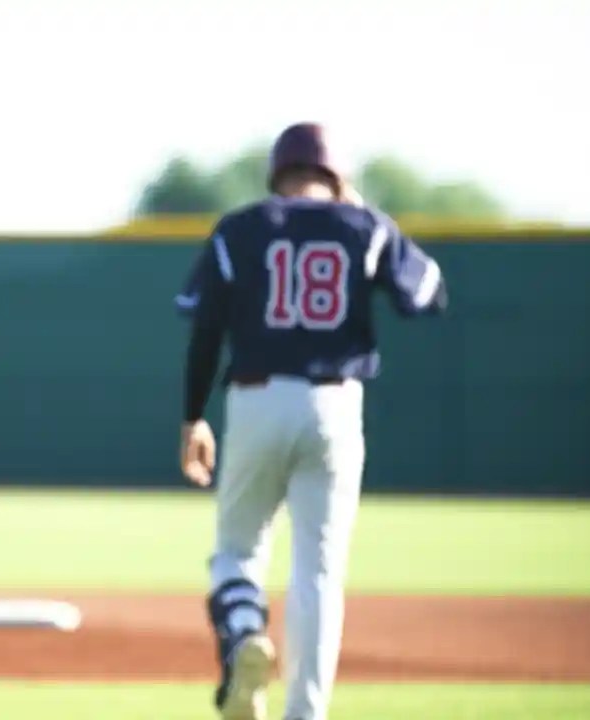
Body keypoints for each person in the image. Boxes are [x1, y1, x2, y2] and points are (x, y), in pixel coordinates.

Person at [176, 123, 447, 720]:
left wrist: (193, 417)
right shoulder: (366, 226)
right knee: (319, 572)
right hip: (335, 406)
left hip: (256, 399)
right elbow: (429, 293)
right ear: (337, 176)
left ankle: (244, 632)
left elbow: (206, 329)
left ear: (277, 172)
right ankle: (306, 712)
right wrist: (365, 214)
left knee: (236, 552)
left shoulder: (240, 227)